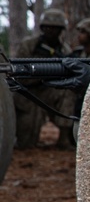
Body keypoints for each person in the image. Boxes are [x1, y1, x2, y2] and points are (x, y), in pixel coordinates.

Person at [9, 8, 76, 149]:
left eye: (55, 28)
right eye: (47, 27)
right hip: (27, 94)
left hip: (50, 91)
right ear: (42, 28)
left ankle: (64, 138)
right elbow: (18, 75)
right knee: (25, 144)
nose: (51, 31)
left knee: (68, 92)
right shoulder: (28, 46)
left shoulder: (64, 51)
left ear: (61, 30)